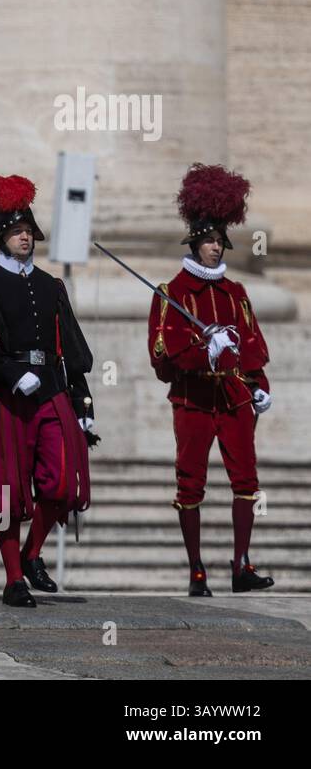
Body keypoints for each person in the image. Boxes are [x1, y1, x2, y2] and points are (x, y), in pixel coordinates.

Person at [0, 175, 95, 608]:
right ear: (1, 236)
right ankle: (14, 578)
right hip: (5, 395)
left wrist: (83, 403)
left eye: (28, 232)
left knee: (61, 482)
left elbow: (71, 348)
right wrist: (12, 372)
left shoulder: (52, 286)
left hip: (51, 388)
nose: (23, 238)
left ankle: (33, 553)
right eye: (16, 232)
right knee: (8, 489)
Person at [149, 164, 273, 596]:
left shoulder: (236, 293)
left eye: (220, 241)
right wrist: (207, 350)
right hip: (195, 399)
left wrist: (260, 386)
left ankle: (241, 565)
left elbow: (254, 343)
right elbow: (164, 355)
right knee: (191, 482)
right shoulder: (172, 293)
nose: (215, 249)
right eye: (208, 241)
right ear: (195, 243)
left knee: (247, 481)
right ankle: (196, 569)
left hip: (235, 398)